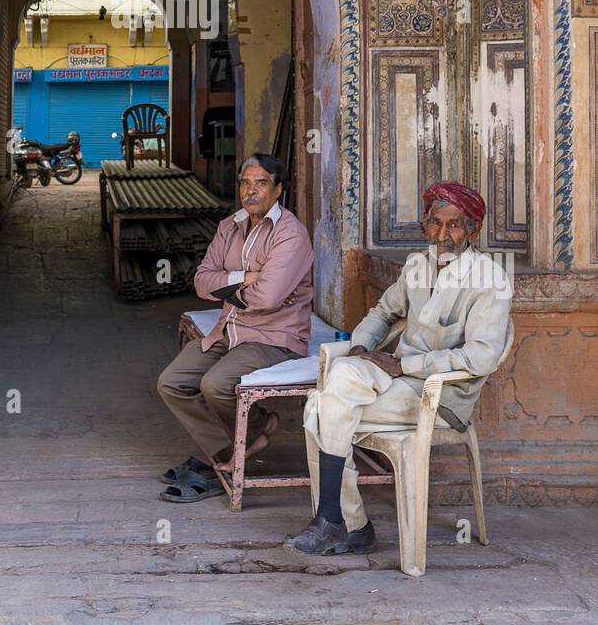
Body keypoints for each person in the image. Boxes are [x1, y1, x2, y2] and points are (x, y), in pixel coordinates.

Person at [287, 181, 512, 557]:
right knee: (339, 381)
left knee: (318, 409)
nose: (443, 235)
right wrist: (361, 346)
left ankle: (347, 524)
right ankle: (338, 523)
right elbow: (383, 313)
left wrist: (404, 363)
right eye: (435, 224)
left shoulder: (491, 280)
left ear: (472, 229)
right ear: (425, 225)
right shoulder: (417, 266)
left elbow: (480, 358)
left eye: (454, 225)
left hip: (441, 394)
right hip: (396, 378)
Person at [157, 154, 313, 503]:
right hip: (229, 328)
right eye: (245, 182)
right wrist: (246, 278)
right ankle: (236, 446)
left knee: (216, 384)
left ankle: (241, 445)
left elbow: (269, 297)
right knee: (172, 382)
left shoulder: (291, 234)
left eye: (260, 183)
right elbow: (200, 281)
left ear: (278, 189)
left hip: (276, 335)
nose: (251, 190)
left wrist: (229, 287)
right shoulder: (230, 226)